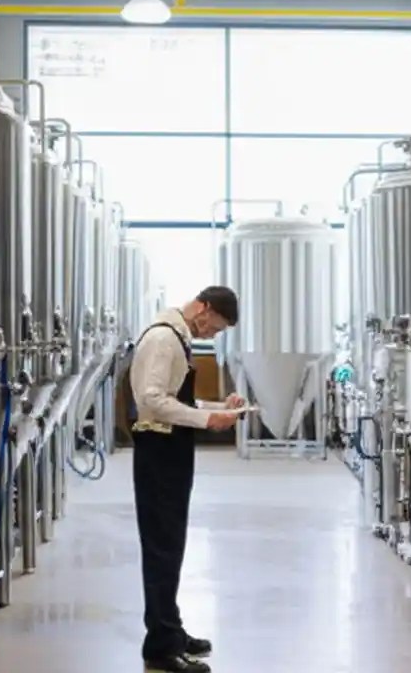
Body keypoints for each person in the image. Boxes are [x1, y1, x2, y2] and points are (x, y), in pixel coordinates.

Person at [128, 286, 244, 673]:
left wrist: (216, 409)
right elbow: (152, 401)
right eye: (217, 327)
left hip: (171, 447)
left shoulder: (176, 336)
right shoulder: (164, 338)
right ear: (205, 309)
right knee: (162, 547)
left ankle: (171, 630)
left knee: (171, 543)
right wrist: (206, 419)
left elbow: (180, 402)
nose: (213, 334)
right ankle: (160, 646)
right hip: (159, 449)